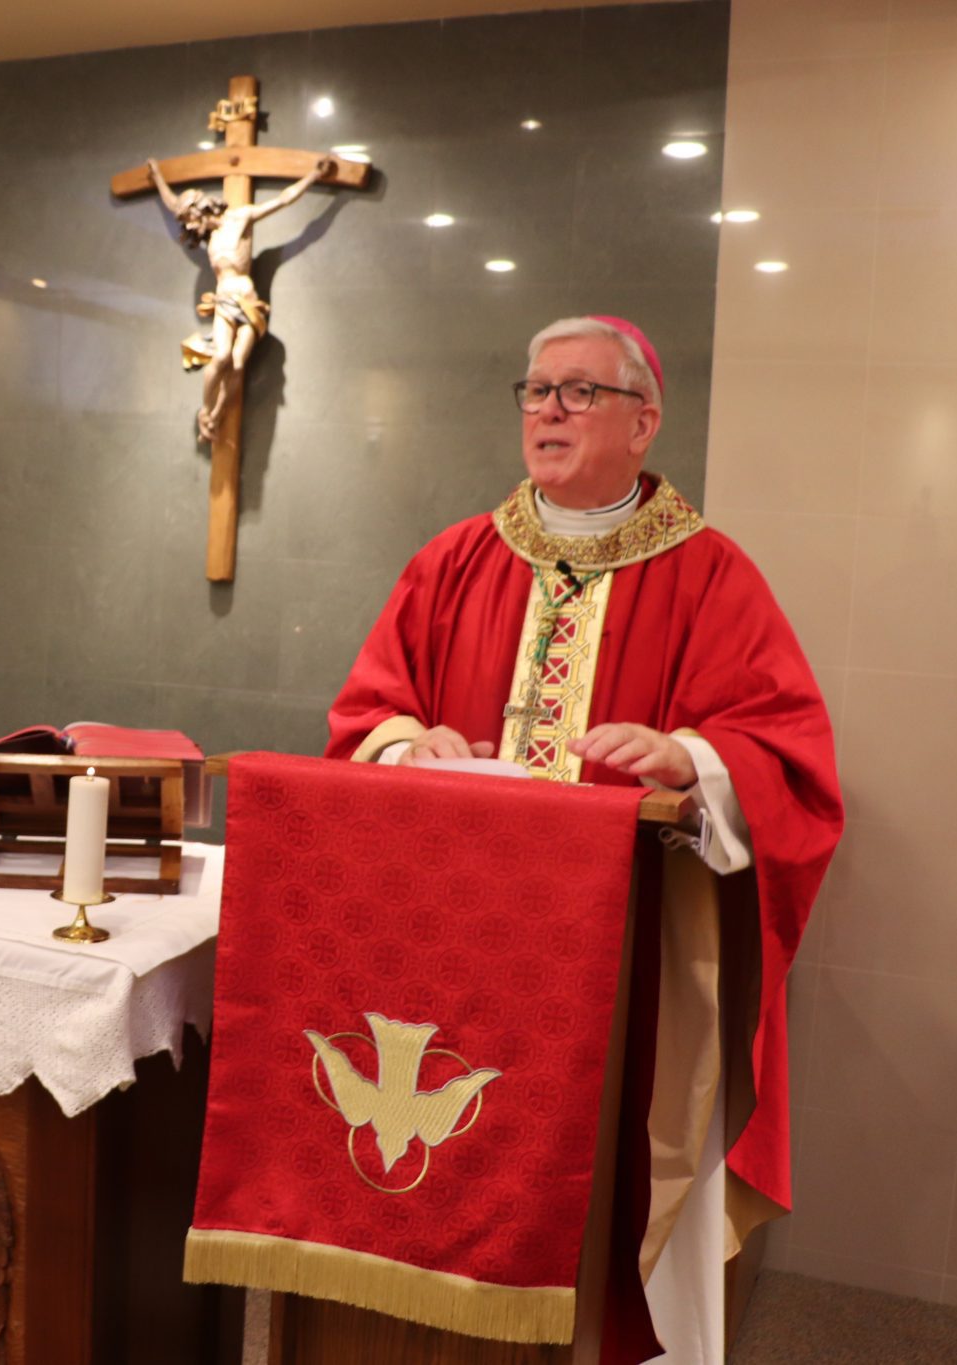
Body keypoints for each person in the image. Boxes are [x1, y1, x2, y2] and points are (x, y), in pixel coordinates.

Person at [325, 315, 843, 1365]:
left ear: (642, 421)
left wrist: (689, 757)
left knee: (598, 1178)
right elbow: (362, 716)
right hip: (453, 942)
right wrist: (401, 742)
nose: (546, 410)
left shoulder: (707, 575)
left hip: (625, 954)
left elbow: (787, 758)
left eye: (576, 392)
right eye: (533, 391)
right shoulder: (454, 560)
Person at [147, 155, 332, 441]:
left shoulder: (239, 218)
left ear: (201, 210)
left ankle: (218, 413)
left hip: (248, 302)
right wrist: (158, 175)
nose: (190, 229)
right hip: (224, 301)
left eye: (191, 220)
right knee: (220, 356)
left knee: (237, 362)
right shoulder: (211, 238)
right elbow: (173, 204)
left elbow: (283, 199)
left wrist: (313, 176)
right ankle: (205, 411)